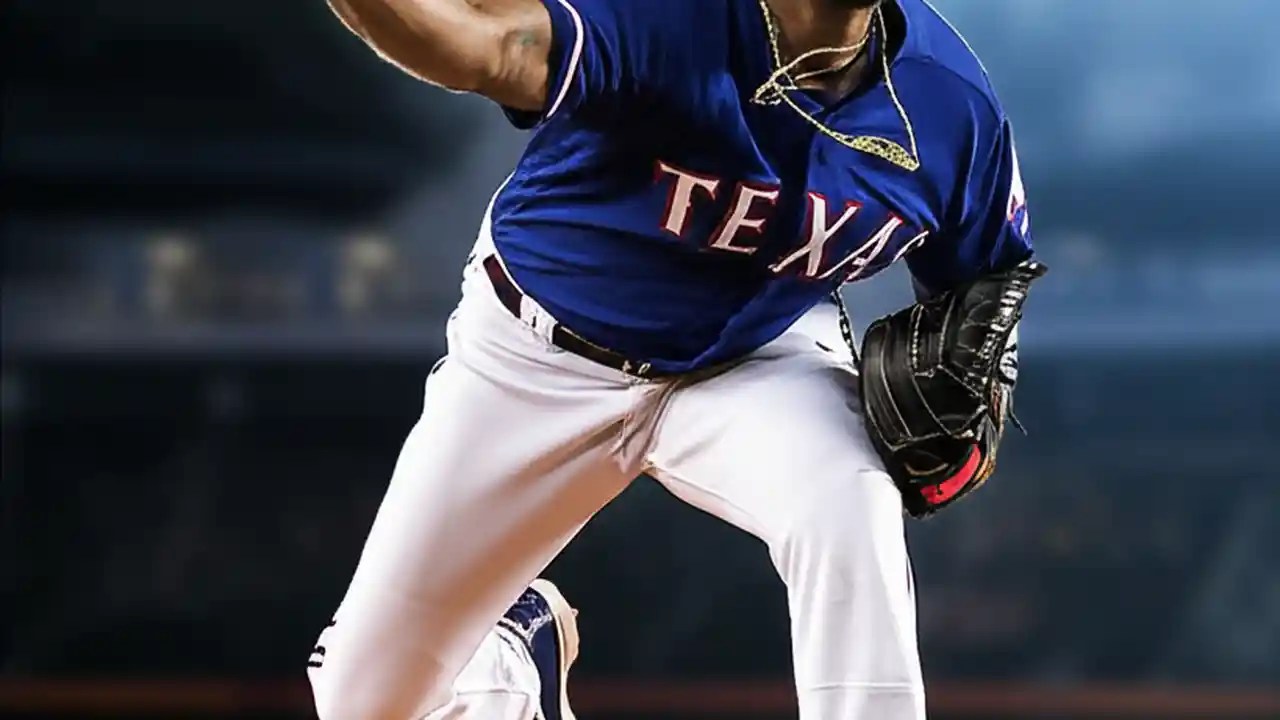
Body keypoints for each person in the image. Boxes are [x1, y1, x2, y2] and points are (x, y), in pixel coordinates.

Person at [308, 0, 1044, 717]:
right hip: (536, 361)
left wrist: (976, 395)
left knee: (849, 507)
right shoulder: (667, 16)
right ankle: (506, 654)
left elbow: (987, 274)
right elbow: (489, 44)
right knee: (361, 700)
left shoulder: (951, 105)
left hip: (753, 363)